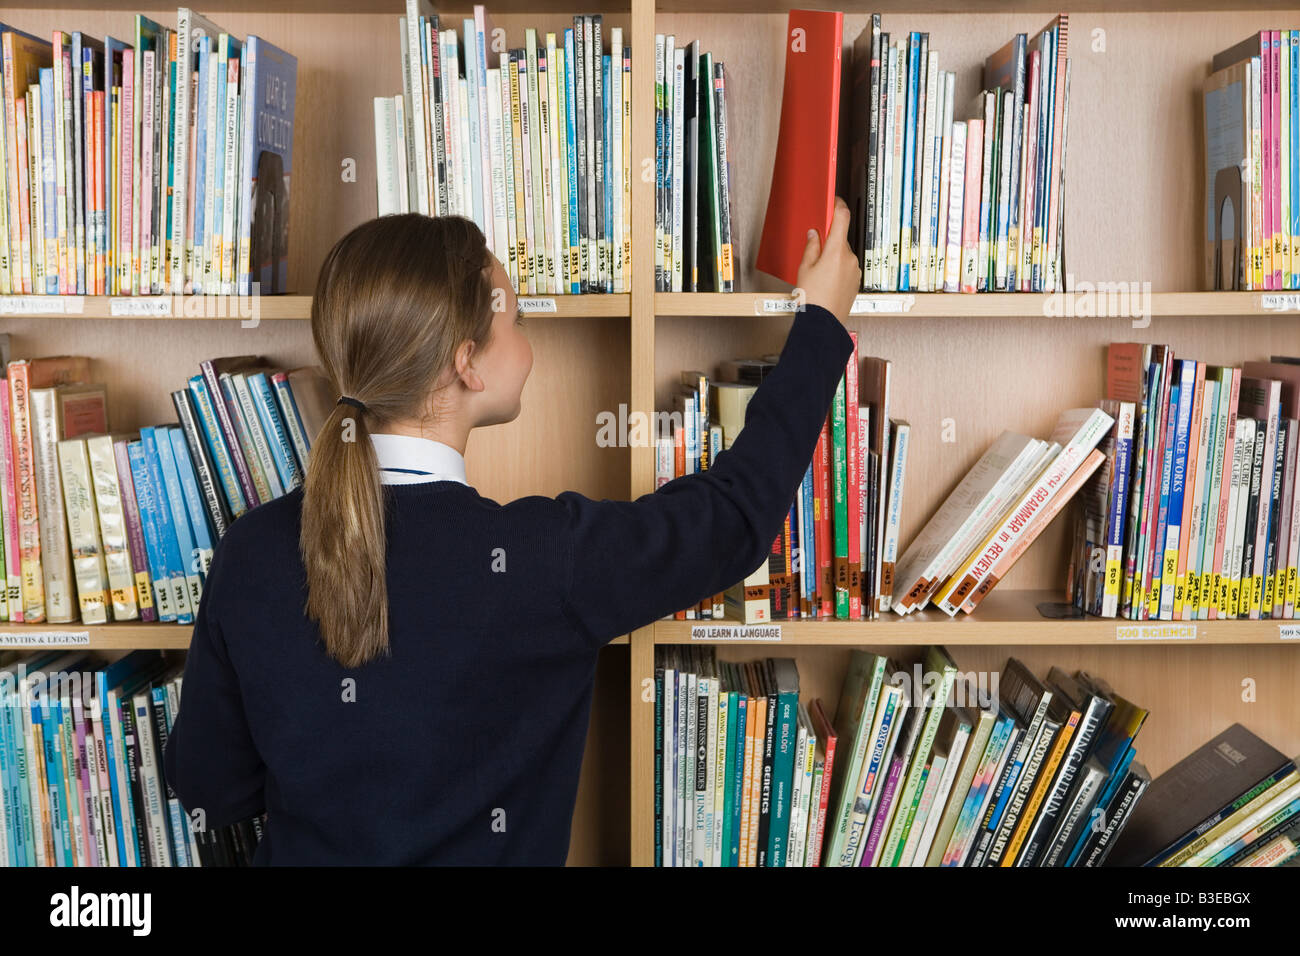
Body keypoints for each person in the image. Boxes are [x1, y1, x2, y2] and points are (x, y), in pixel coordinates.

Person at [163, 198, 861, 865]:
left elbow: (211, 788)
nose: (528, 344)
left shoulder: (250, 550)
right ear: (466, 363)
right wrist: (822, 322)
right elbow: (733, 520)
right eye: (518, 320)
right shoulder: (543, 563)